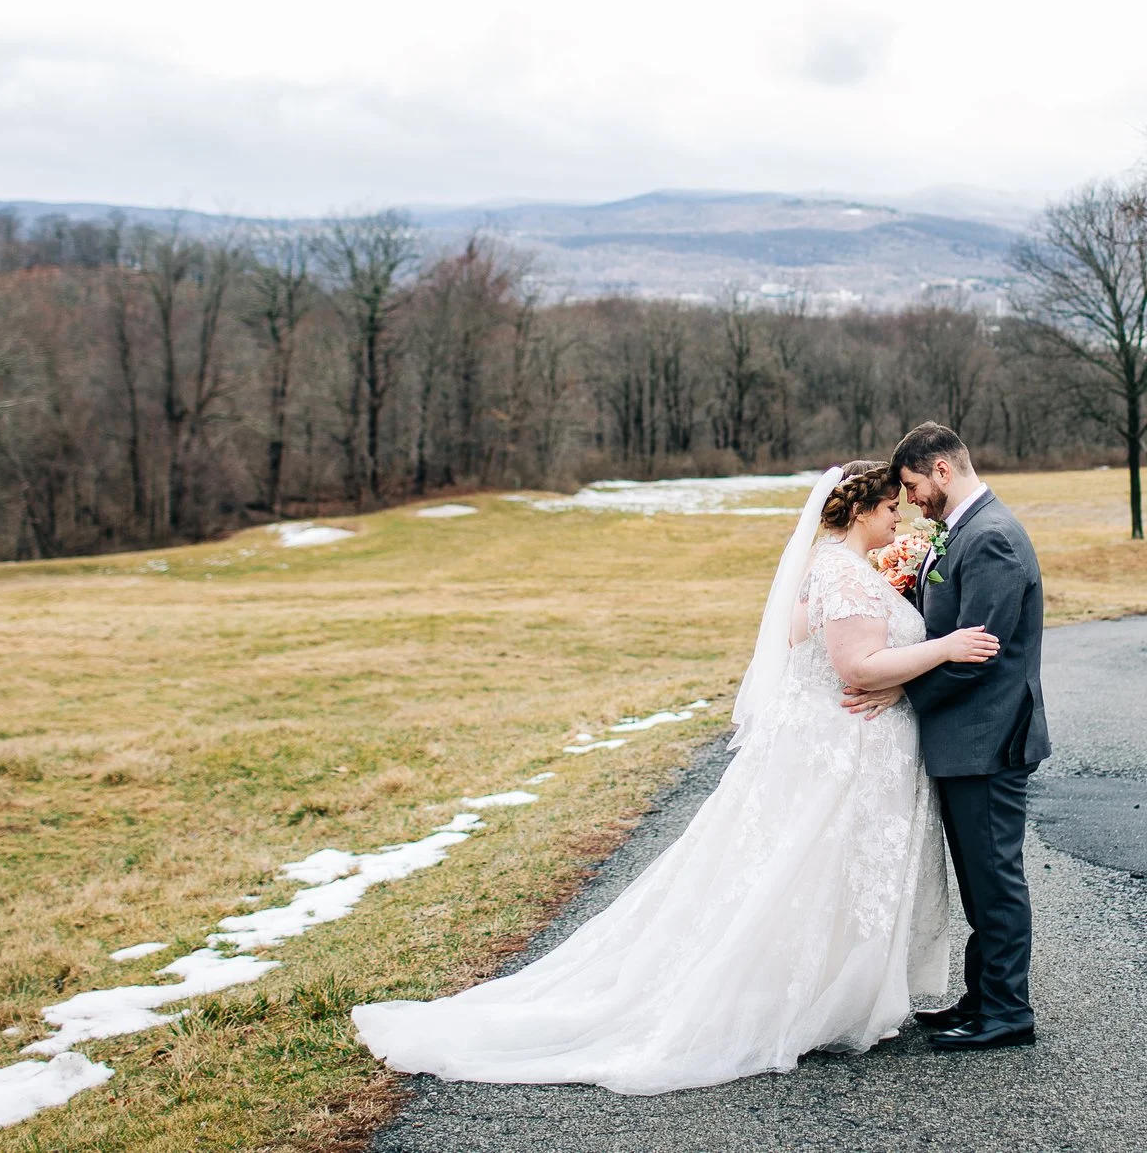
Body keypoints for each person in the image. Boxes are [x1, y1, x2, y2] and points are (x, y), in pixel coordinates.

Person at [350, 460, 1000, 1094]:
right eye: (891, 508)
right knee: (809, 871)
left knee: (801, 873)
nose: (898, 519)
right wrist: (940, 649)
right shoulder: (845, 573)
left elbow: (812, 644)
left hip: (828, 748)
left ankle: (818, 990)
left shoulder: (831, 567)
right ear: (861, 509)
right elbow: (857, 665)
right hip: (841, 757)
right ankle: (810, 1000)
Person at [855, 421, 1049, 1051]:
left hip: (987, 740)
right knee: (978, 878)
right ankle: (983, 997)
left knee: (994, 878)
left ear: (941, 469)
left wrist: (899, 690)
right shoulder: (965, 529)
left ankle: (1008, 1012)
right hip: (968, 739)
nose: (910, 500)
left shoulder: (990, 538)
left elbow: (979, 655)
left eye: (912, 485)